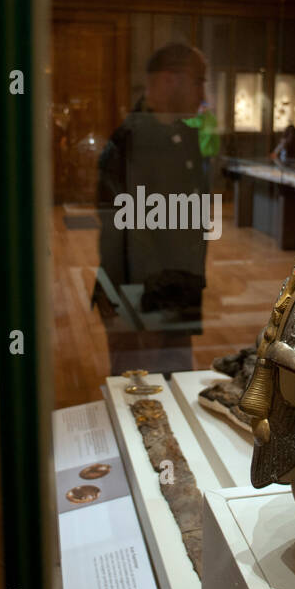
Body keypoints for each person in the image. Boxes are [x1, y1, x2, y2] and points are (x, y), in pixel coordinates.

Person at [95, 44, 211, 376]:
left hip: (177, 290)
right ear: (169, 80)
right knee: (136, 396)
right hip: (141, 297)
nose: (203, 94)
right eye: (198, 81)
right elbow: (120, 230)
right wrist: (144, 304)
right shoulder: (129, 140)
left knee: (177, 385)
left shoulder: (185, 135)